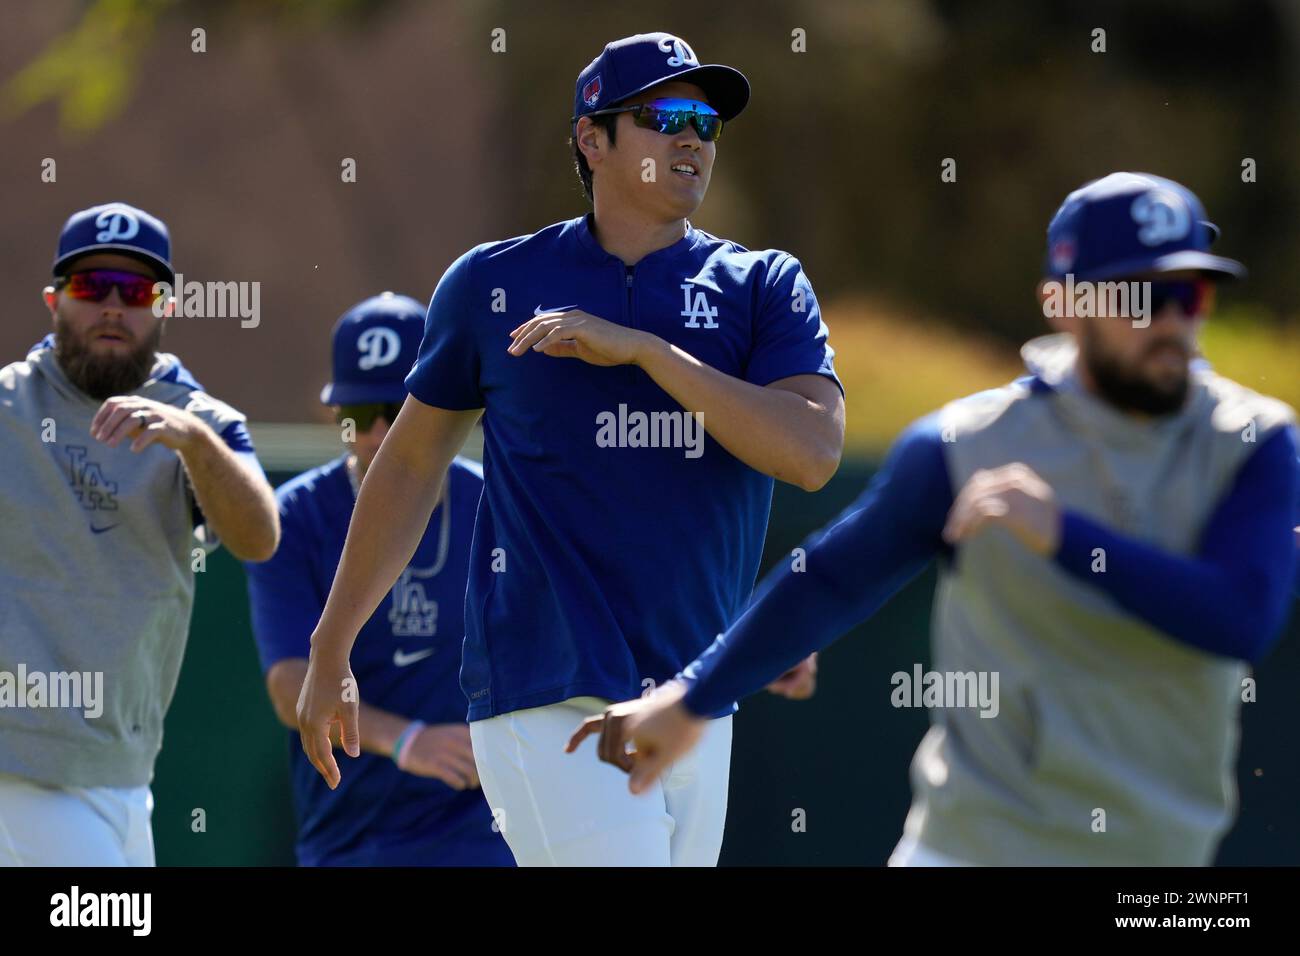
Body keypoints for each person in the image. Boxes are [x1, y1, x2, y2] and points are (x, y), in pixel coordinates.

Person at [570, 172, 1300, 867]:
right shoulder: (966, 444)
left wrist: (1065, 537)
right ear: (1063, 303)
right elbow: (833, 577)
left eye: (1190, 295)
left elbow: (1240, 617)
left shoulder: (1255, 440)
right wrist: (692, 697)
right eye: (1143, 297)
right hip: (971, 844)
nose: (1171, 321)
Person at [296, 32, 843, 866]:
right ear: (594, 139)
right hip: (547, 690)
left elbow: (810, 453)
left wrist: (648, 352)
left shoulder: (765, 284)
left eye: (705, 120)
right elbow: (409, 465)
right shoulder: (490, 283)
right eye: (664, 116)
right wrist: (331, 648)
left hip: (696, 701)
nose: (693, 137)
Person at [0, 201, 279, 865]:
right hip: (24, 767)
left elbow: (260, 537)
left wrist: (194, 446)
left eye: (137, 291)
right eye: (92, 287)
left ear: (167, 307)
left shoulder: (200, 419)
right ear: (54, 301)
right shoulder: (9, 405)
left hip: (124, 774)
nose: (113, 307)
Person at [244, 293, 513, 866]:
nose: (375, 434)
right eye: (358, 417)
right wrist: (407, 739)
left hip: (482, 821)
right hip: (354, 830)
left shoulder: (497, 504)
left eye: (395, 411)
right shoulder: (294, 516)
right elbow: (290, 684)